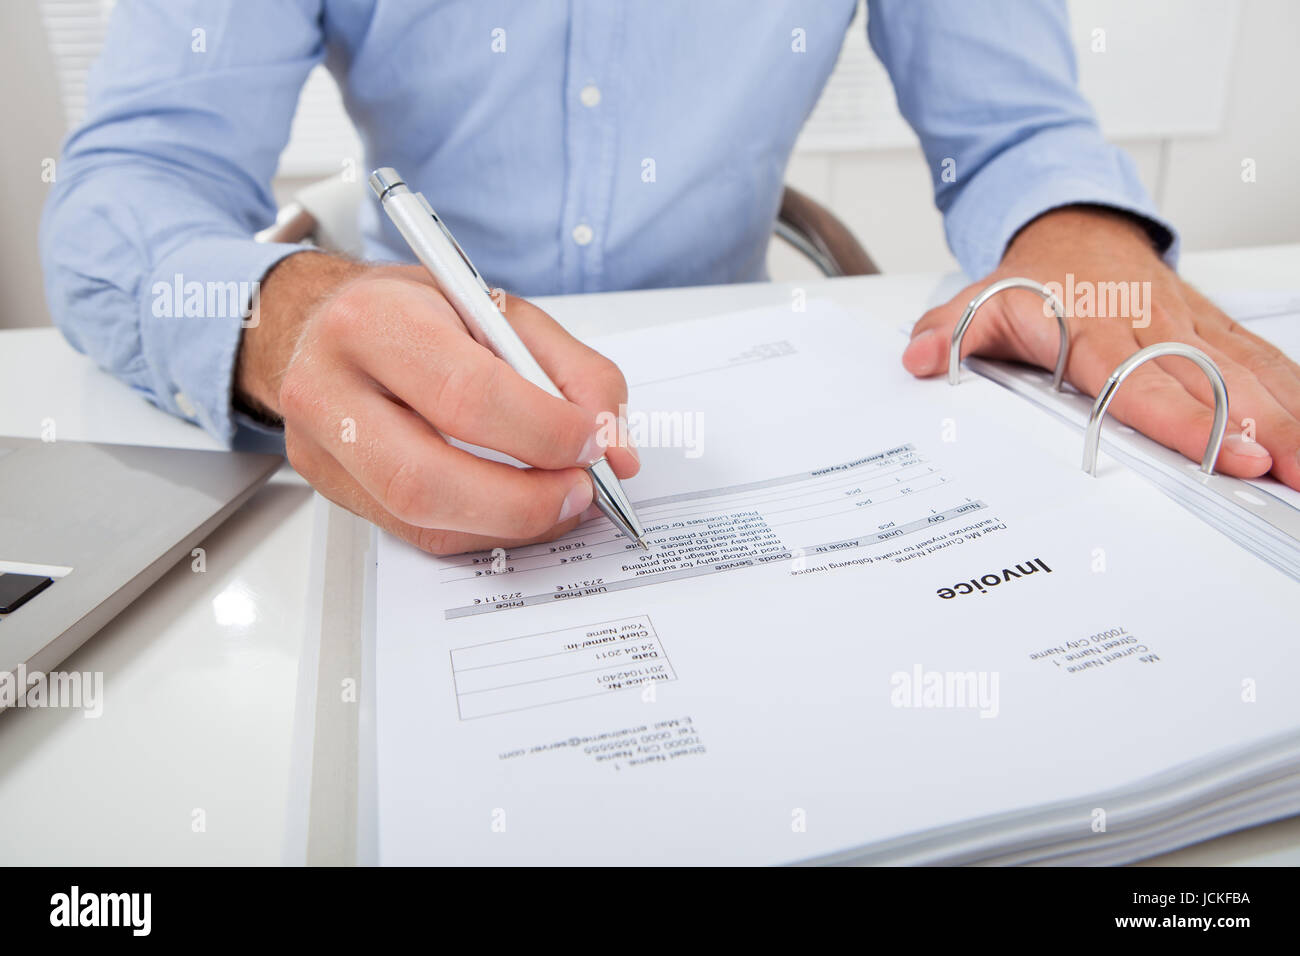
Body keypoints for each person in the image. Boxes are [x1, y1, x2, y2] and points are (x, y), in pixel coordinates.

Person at [41, 1, 1300, 557]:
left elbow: (1017, 128)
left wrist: (1072, 224)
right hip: (380, 424)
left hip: (747, 398)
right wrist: (285, 310)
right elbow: (129, 184)